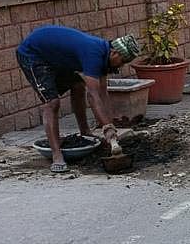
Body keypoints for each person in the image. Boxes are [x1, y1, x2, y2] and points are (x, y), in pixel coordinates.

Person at [16, 25, 140, 172]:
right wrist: (107, 128)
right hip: (33, 55)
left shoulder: (103, 54)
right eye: (122, 61)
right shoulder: (94, 54)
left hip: (54, 57)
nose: (121, 66)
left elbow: (103, 94)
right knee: (52, 103)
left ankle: (85, 132)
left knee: (78, 85)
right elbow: (93, 96)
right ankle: (57, 155)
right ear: (114, 53)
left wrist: (109, 127)